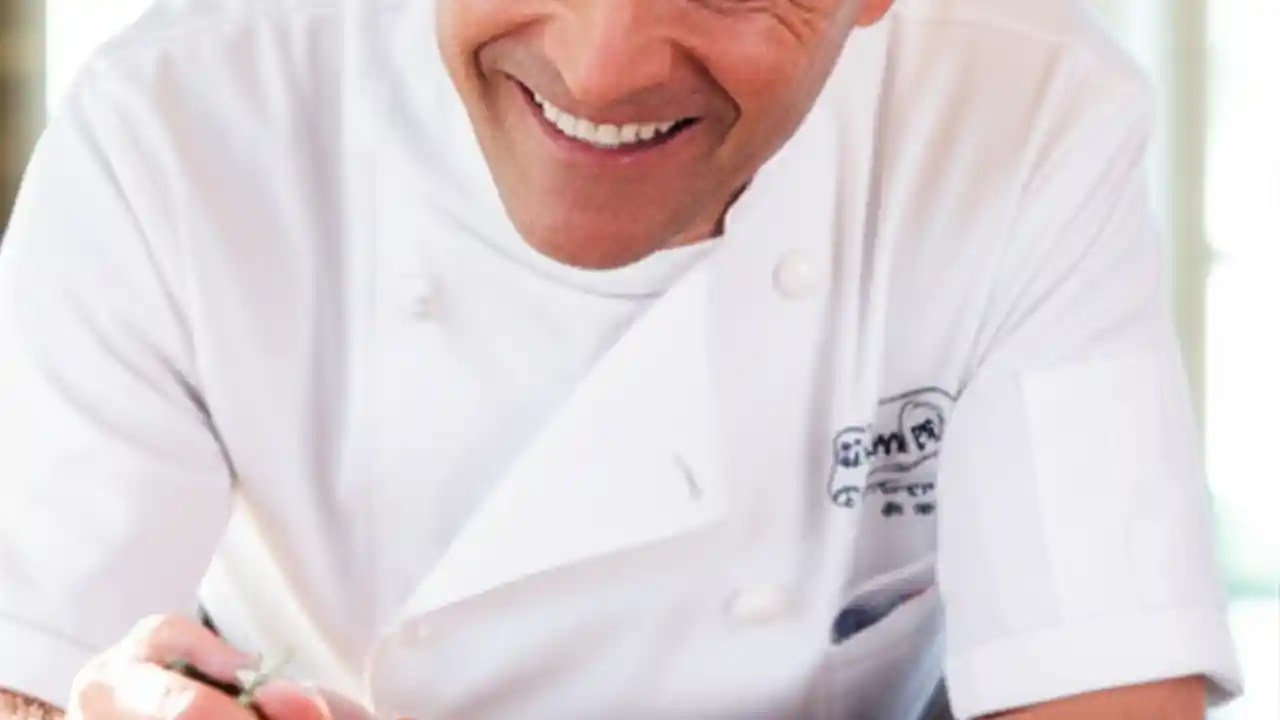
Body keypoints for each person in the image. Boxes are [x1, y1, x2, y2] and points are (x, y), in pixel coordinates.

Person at [0, 0, 1243, 717]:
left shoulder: (1022, 112)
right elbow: (35, 666)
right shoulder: (179, 119)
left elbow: (1102, 681)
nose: (600, 69)